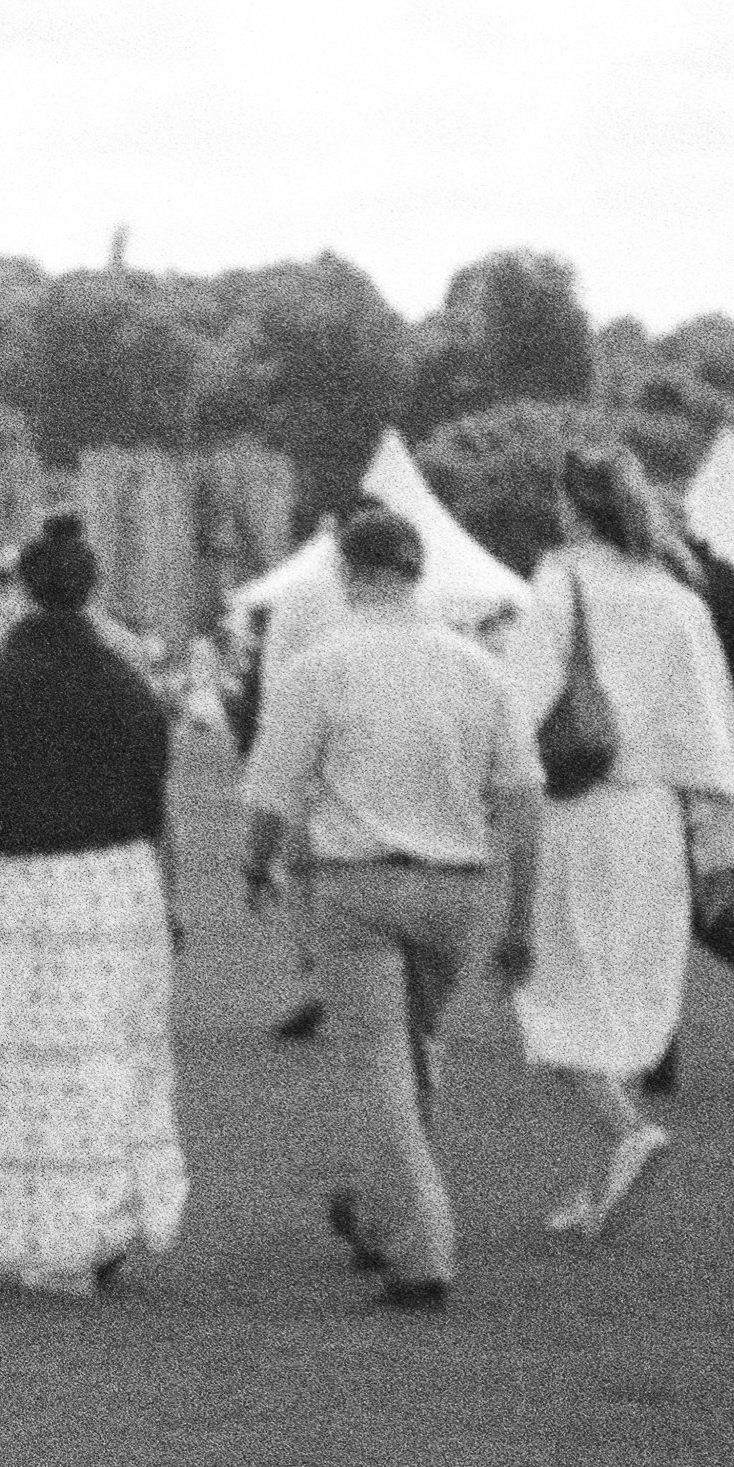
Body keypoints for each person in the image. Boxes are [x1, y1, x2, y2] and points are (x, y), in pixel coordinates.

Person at [235, 506, 520, 1311]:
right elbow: (521, 797)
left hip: (356, 883)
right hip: (456, 886)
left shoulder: (319, 669)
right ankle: (374, 1210)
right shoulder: (478, 669)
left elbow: (272, 791)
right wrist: (521, 911)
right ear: (417, 572)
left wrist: (255, 864)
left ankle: (423, 1243)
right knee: (416, 1052)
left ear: (345, 575)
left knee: (380, 1070)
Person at [493, 446, 734, 1243]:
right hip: (656, 820)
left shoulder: (560, 584)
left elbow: (513, 705)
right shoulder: (679, 598)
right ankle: (608, 1169)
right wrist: (724, 843)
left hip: (579, 808)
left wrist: (477, 795)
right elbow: (717, 732)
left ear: (574, 507)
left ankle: (625, 1133)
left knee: (552, 993)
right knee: (621, 993)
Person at [0, 518, 182, 1293]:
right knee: (109, 1057)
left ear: (25, 589)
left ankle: (35, 1224)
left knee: (25, 1064)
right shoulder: (127, 681)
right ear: (92, 589)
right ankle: (101, 1219)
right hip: (115, 883)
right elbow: (156, 797)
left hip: (25, 886)